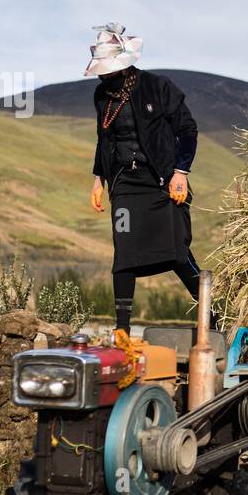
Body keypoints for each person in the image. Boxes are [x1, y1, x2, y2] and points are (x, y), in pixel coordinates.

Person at [84, 22, 200, 335]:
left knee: (177, 252)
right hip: (124, 185)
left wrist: (180, 173)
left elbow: (187, 130)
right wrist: (98, 179)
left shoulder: (157, 86)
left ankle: (211, 317)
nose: (102, 75)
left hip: (162, 180)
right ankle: (122, 330)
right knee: (124, 252)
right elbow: (103, 139)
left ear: (123, 65)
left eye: (107, 69)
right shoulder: (101, 96)